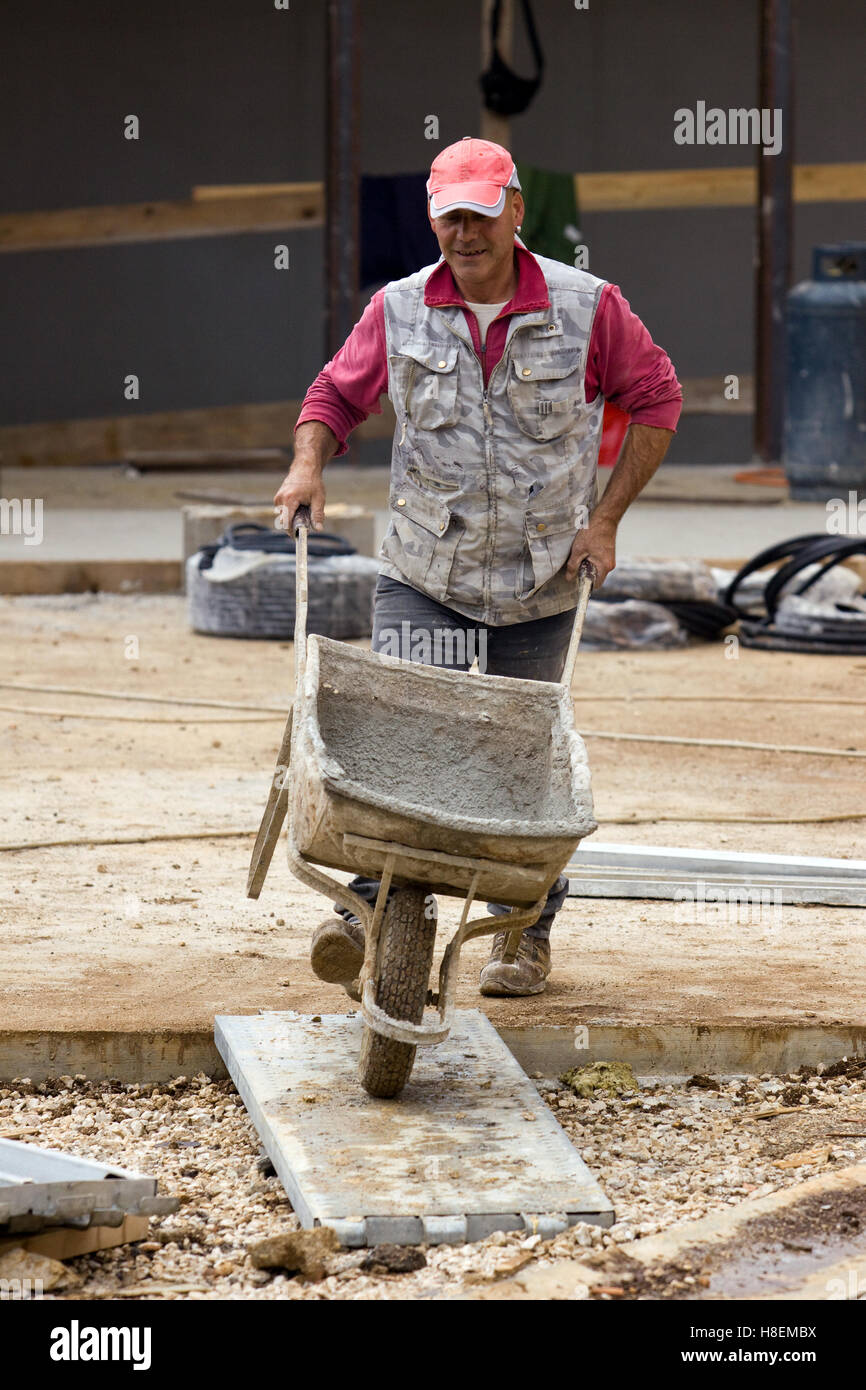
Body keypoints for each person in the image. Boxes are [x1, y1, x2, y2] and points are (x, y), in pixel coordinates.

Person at [275, 136, 682, 999]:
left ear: (515, 212)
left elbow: (656, 397)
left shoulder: (588, 307)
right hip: (428, 573)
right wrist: (308, 464)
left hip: (540, 582)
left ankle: (524, 936)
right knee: (400, 747)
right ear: (434, 218)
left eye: (480, 215)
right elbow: (334, 397)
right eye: (450, 216)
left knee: (523, 765)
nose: (465, 234)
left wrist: (604, 522)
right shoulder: (397, 308)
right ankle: (366, 916)